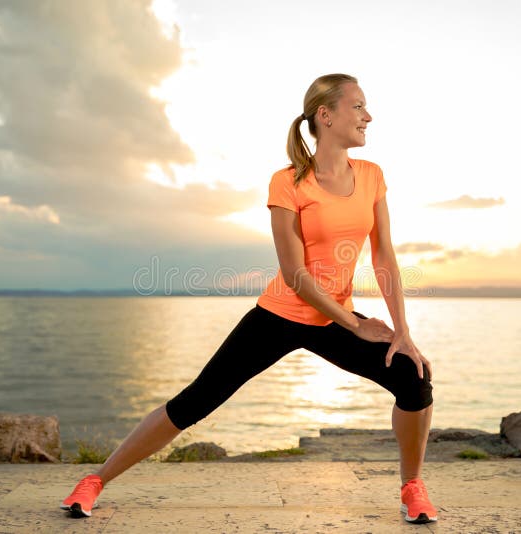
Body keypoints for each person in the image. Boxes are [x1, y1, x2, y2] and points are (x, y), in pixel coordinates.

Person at [59, 73, 438, 524]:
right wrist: (356, 324)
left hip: (333, 320)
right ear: (326, 115)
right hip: (280, 315)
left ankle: (412, 486)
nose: (367, 116)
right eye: (357, 106)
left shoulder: (372, 176)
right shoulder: (287, 183)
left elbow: (383, 255)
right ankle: (96, 480)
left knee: (413, 378)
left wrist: (404, 333)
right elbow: (296, 276)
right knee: (195, 402)